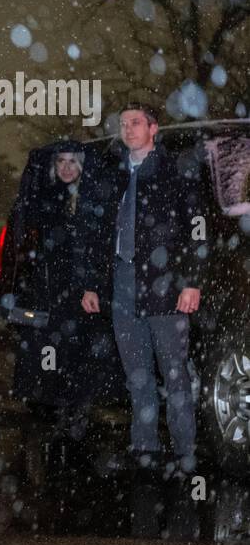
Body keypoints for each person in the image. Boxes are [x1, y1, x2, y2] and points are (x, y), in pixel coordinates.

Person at [79, 104, 208, 474]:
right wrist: (92, 284)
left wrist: (192, 282)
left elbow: (197, 229)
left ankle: (186, 453)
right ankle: (144, 450)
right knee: (137, 373)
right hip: (122, 284)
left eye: (136, 122)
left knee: (175, 373)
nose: (128, 129)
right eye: (123, 124)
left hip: (165, 284)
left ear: (154, 129)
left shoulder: (176, 171)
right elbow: (98, 231)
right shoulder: (114, 173)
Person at [5, 144, 100, 443]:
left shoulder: (91, 197)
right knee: (50, 355)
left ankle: (77, 416)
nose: (67, 167)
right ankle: (58, 414)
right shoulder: (46, 197)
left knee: (78, 355)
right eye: (61, 161)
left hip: (82, 290)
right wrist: (34, 166)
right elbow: (25, 214)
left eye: (73, 161)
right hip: (49, 292)